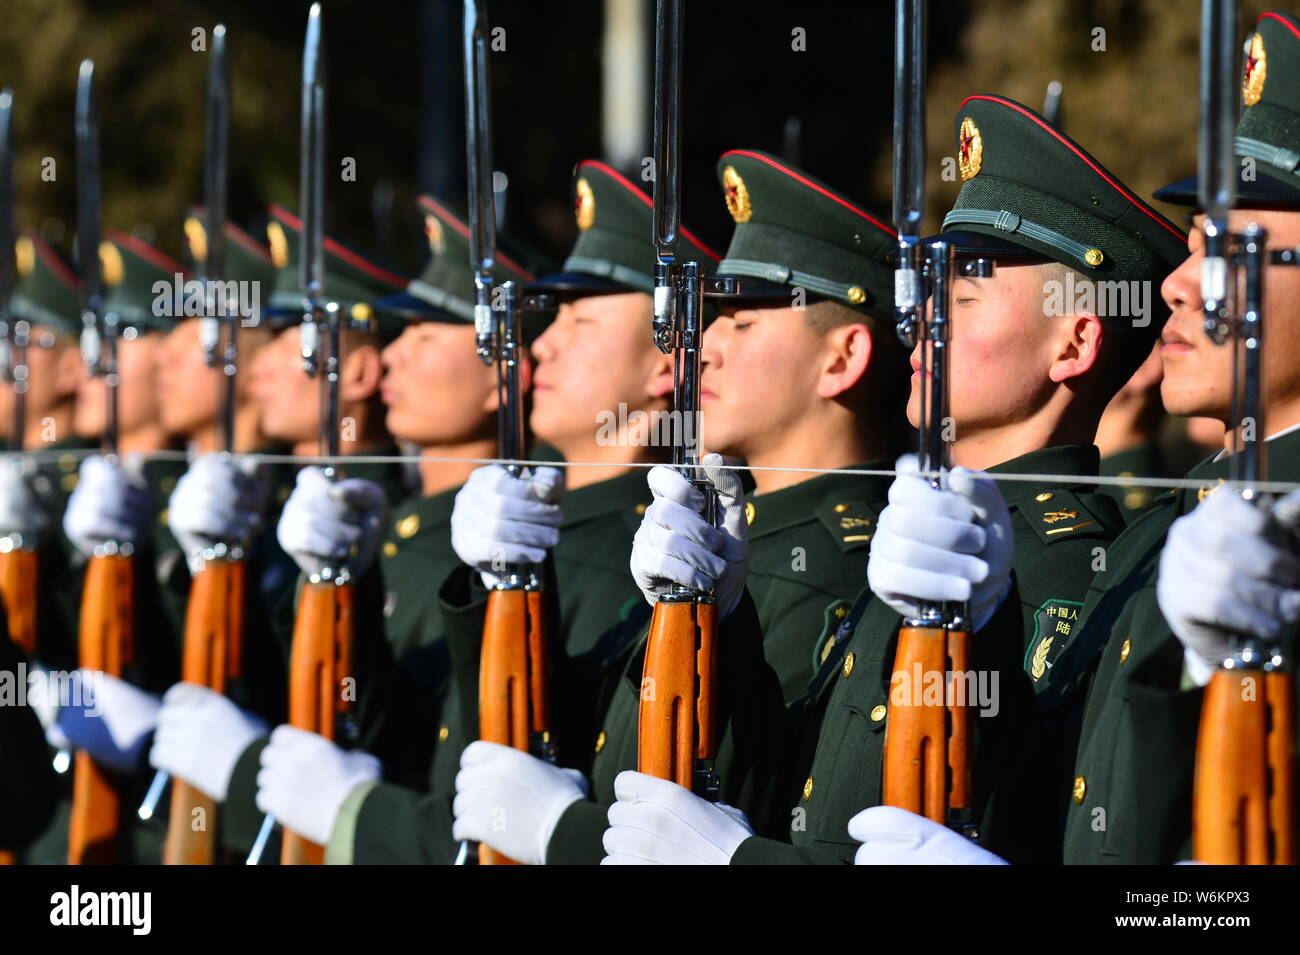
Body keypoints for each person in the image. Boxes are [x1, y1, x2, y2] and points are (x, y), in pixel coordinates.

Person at [602, 93, 1186, 866]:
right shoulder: (924, 536)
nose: (921, 321)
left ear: (1074, 343)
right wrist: (723, 623)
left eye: (963, 296)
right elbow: (799, 785)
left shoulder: (1068, 568)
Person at [455, 149, 911, 865]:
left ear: (842, 360)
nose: (704, 346)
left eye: (743, 322)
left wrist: (560, 832)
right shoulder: (727, 540)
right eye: (714, 318)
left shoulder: (837, 569)